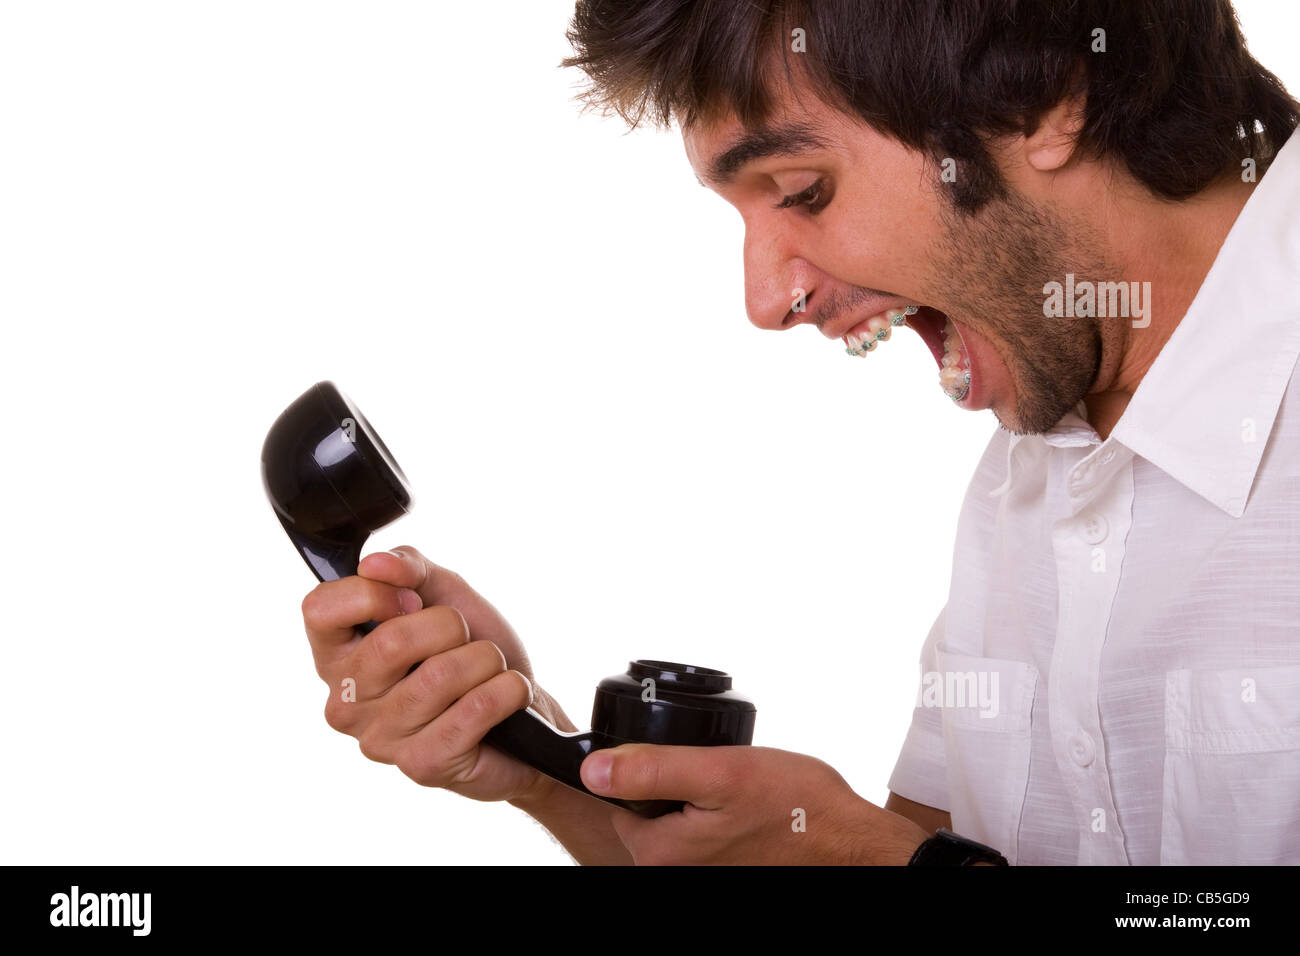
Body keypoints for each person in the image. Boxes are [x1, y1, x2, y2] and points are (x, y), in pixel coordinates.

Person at [300, 0, 1300, 864]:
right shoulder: (1031, 466)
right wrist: (550, 759)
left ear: (1042, 101)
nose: (765, 300)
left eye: (801, 192)